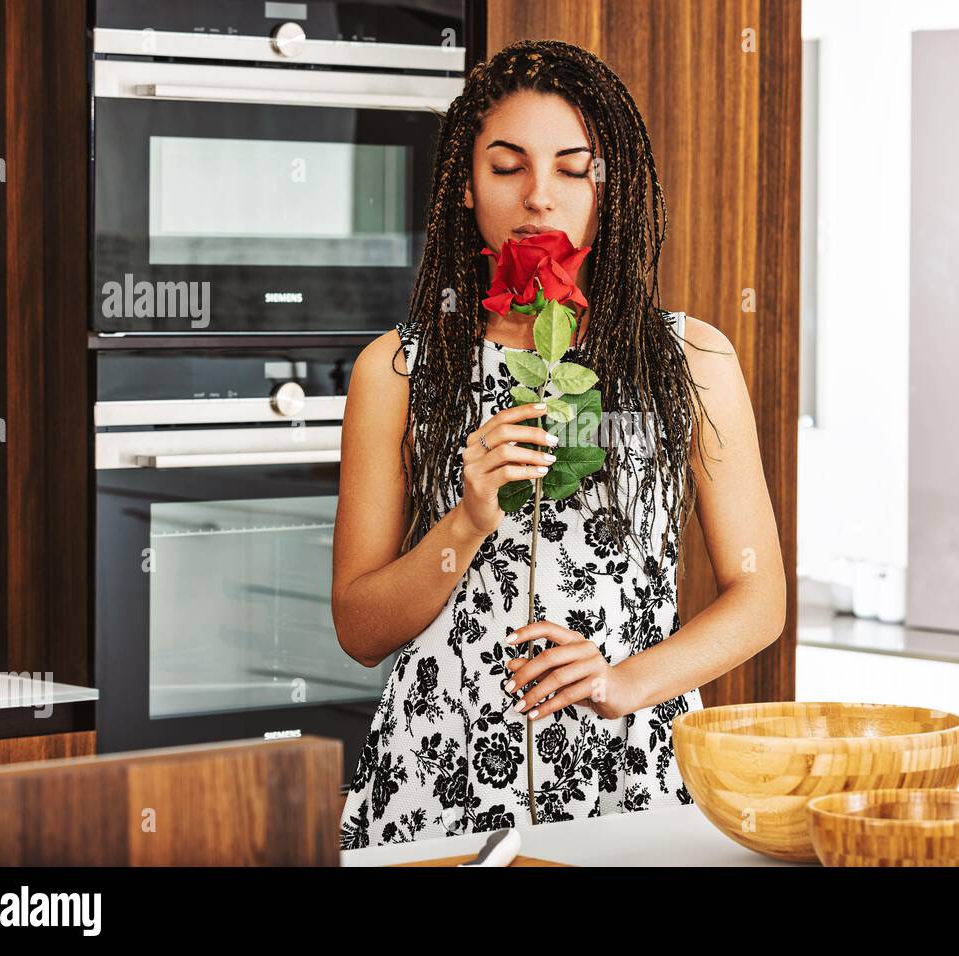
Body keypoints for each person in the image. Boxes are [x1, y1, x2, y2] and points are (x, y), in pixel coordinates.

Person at [335, 39, 785, 847]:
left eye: (574, 168)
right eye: (507, 166)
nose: (539, 195)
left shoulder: (692, 359)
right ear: (466, 189)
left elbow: (759, 597)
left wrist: (622, 683)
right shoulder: (396, 369)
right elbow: (360, 630)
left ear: (613, 190)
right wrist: (467, 520)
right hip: (437, 781)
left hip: (635, 771)